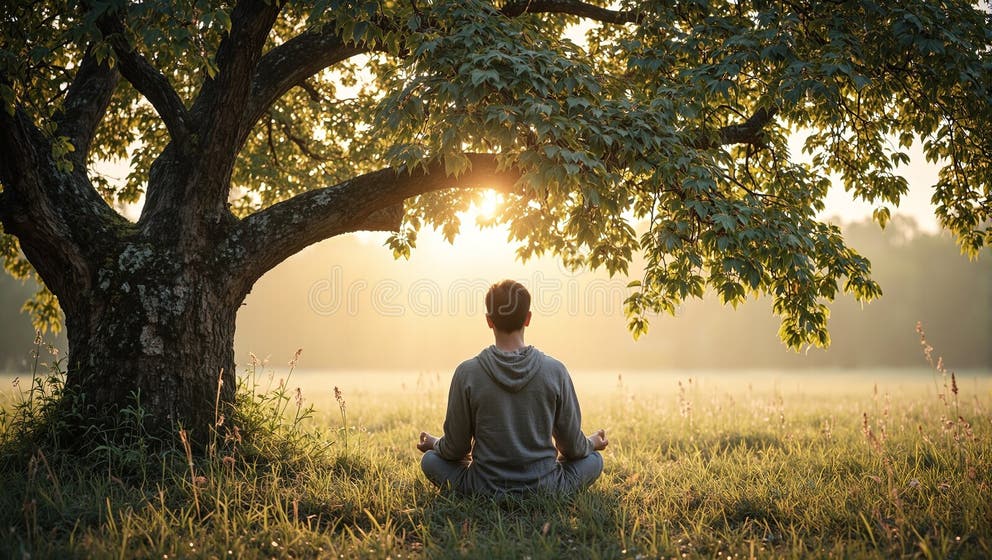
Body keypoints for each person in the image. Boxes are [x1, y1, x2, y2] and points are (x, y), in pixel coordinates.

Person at [416, 279, 608, 495]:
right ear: (528, 318)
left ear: (489, 321)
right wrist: (592, 442)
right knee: (594, 460)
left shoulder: (467, 372)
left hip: (483, 487)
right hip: (547, 487)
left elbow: (456, 449)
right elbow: (572, 448)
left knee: (430, 460)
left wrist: (434, 444)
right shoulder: (555, 370)